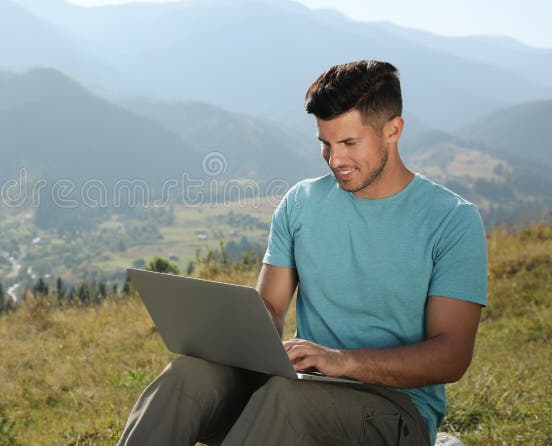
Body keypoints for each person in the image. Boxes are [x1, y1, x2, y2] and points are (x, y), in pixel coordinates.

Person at [117, 60, 488, 446]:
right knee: (189, 376)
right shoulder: (301, 203)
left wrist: (343, 361)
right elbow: (271, 309)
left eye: (349, 143)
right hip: (301, 384)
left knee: (284, 401)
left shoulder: (452, 221)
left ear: (393, 130)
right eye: (325, 144)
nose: (335, 160)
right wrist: (231, 333)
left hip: (394, 409)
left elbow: (451, 356)